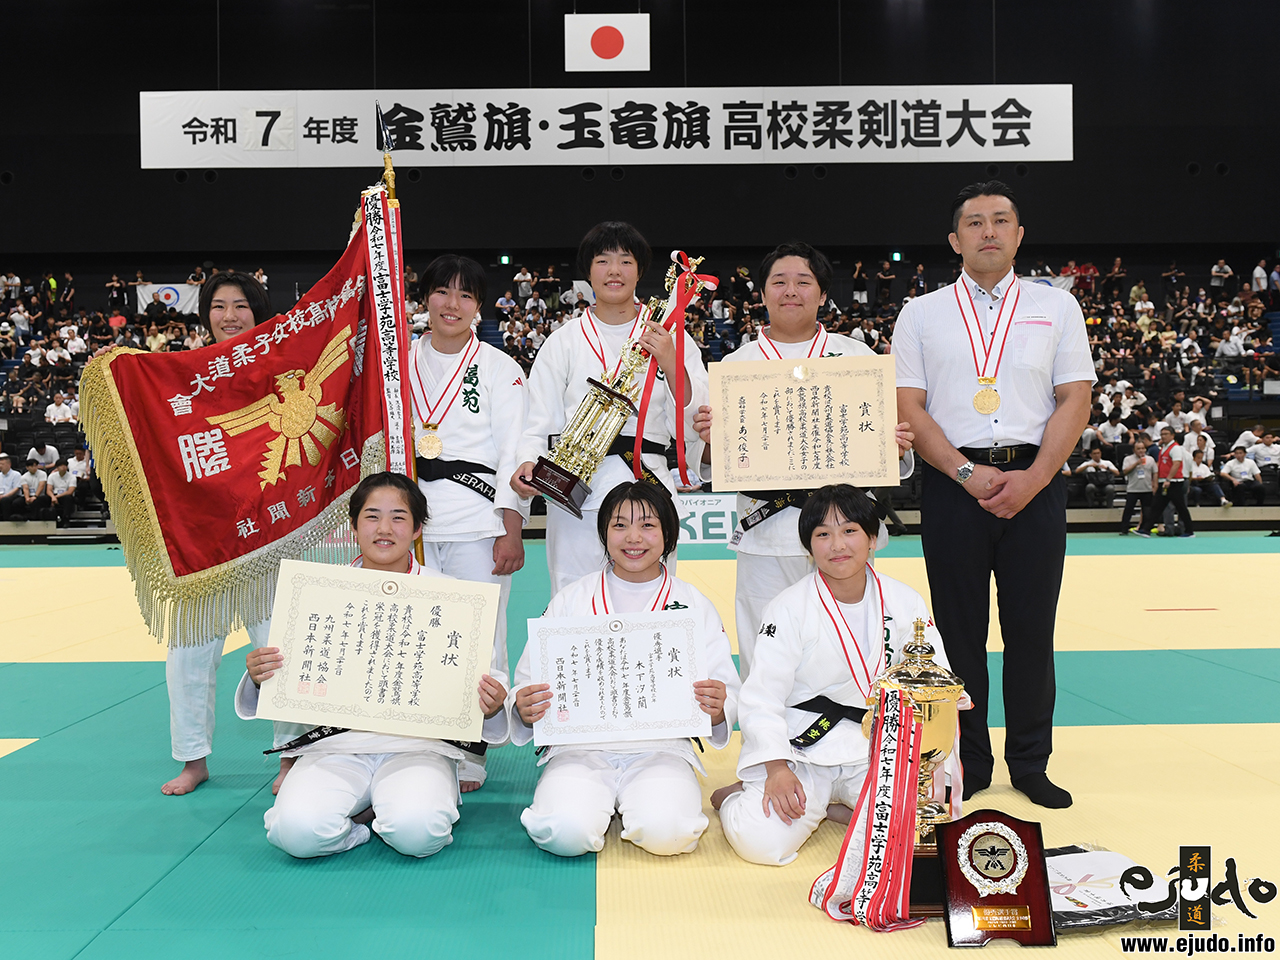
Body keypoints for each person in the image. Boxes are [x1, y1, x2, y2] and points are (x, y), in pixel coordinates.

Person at [893, 181, 1094, 809]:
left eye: (1001, 221)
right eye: (974, 223)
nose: (989, 231)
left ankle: (1031, 762)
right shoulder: (921, 313)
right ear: (954, 240)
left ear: (1019, 235)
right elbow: (910, 408)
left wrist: (1032, 479)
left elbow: (1075, 399)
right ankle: (969, 759)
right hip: (955, 487)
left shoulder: (1056, 307)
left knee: (1033, 630)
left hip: (1036, 484)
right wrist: (963, 474)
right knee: (958, 632)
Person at [238, 473, 509, 859]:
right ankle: (359, 829)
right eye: (372, 516)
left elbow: (490, 677)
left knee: (418, 835)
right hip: (333, 746)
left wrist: (494, 699)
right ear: (353, 526)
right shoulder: (316, 593)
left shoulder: (454, 598)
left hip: (420, 748)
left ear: (417, 528)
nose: (385, 529)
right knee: (295, 834)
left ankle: (386, 810)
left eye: (399, 517)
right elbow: (287, 678)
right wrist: (259, 675)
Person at [691, 242, 914, 680]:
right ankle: (767, 744)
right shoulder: (737, 365)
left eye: (803, 282)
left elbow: (884, 452)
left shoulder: (857, 359)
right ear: (762, 292)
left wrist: (895, 443)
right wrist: (710, 440)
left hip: (844, 531)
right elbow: (714, 465)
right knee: (764, 648)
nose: (790, 290)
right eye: (779, 281)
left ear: (823, 294)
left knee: (854, 644)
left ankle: (853, 742)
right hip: (765, 530)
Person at [718, 485, 965, 866]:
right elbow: (761, 696)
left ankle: (836, 808)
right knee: (761, 842)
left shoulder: (904, 602)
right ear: (808, 545)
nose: (837, 545)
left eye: (849, 531)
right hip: (805, 745)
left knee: (917, 833)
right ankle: (735, 799)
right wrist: (776, 767)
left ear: (872, 537)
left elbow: (935, 677)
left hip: (877, 743)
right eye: (823, 534)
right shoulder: (788, 608)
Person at [508, 480, 739, 858]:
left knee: (670, 834)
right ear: (603, 533)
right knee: (564, 834)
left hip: (662, 748)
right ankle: (591, 801)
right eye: (620, 525)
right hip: (580, 747)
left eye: (647, 525)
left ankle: (637, 802)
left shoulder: (691, 603)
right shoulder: (572, 598)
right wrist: (525, 705)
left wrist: (718, 707)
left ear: (668, 534)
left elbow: (727, 688)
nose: (634, 537)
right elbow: (529, 679)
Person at [149, 272, 306, 796]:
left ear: (259, 312)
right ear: (204, 315)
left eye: (241, 305)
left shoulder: (280, 365)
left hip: (270, 534)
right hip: (205, 542)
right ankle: (193, 759)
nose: (230, 315)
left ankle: (291, 756)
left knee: (279, 649)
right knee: (188, 657)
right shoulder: (179, 378)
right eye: (219, 306)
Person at [511, 222, 708, 595]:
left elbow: (694, 421)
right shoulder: (563, 342)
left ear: (640, 270)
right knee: (574, 605)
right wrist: (527, 461)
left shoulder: (670, 335)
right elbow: (537, 422)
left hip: (647, 487)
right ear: (588, 271)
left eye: (625, 261)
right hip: (575, 494)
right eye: (603, 261)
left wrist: (669, 360)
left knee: (653, 608)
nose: (614, 271)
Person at [408, 255, 528, 792]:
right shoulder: (399, 362)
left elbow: (518, 449)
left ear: (479, 307)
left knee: (481, 640)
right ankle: (424, 738)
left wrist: (512, 523)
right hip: (409, 523)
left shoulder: (501, 368)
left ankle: (474, 746)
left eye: (464, 295)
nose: (451, 304)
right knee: (418, 636)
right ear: (424, 299)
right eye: (441, 292)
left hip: (478, 521)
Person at [1140, 426, 1195, 537]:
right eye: (1162, 434)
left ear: (1172, 435)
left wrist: (1168, 479)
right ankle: (1146, 529)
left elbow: (1176, 464)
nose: (1163, 436)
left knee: (1180, 507)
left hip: (1173, 482)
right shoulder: (1164, 448)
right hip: (1164, 481)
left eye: (1166, 434)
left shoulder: (1175, 448)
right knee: (1157, 506)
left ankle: (1189, 531)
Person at [1120, 437, 1155, 535]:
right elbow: (1125, 471)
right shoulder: (1128, 459)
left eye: (1143, 448)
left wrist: (1154, 485)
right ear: (1134, 450)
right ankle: (1124, 529)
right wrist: (1136, 463)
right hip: (1133, 489)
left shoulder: (1150, 459)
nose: (1141, 450)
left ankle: (1144, 529)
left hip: (1146, 489)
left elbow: (1155, 473)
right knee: (1128, 509)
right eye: (1138, 449)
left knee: (1147, 511)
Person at [46, 458, 77, 527]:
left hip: (65, 495)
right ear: (57, 467)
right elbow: (48, 490)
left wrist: (56, 497)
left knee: (68, 498)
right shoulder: (52, 476)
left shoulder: (72, 477)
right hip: (54, 495)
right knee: (41, 499)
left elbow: (70, 491)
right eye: (61, 465)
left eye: (65, 465)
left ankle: (66, 519)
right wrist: (53, 497)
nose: (63, 467)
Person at [0, 453, 24, 520]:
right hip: (1, 496)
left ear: (9, 464)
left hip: (13, 496)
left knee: (5, 500)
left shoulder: (16, 474)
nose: (0, 466)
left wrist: (4, 496)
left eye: (2, 464)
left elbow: (16, 488)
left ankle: (6, 521)